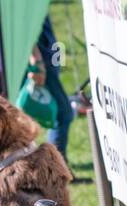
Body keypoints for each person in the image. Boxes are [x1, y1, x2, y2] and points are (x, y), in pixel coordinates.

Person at [34, 16, 74, 157]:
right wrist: (36, 61)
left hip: (46, 57)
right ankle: (56, 168)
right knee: (63, 114)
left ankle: (55, 166)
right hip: (42, 61)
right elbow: (25, 24)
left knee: (60, 114)